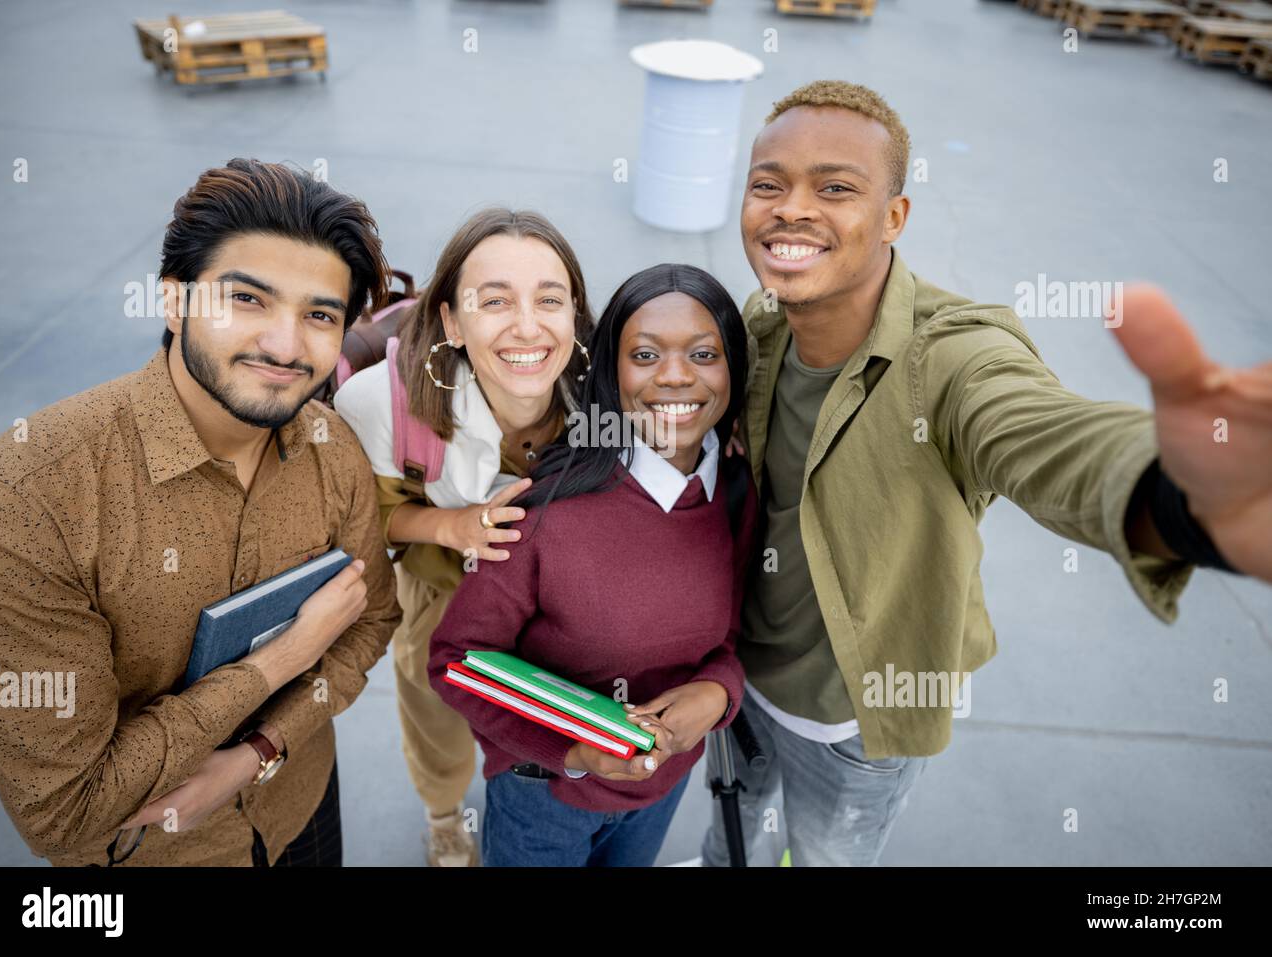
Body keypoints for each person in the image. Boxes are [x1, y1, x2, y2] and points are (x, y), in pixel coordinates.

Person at [701, 79, 1272, 867]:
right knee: (729, 841)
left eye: (836, 187)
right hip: (735, 685)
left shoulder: (953, 354)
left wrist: (1177, 494)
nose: (792, 208)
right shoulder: (760, 327)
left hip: (854, 725)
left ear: (895, 217)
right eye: (769, 184)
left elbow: (1041, 432)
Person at [0, 158, 402, 866]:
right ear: (173, 303)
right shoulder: (27, 500)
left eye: (319, 315)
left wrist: (260, 750)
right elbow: (65, 810)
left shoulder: (331, 444)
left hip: (299, 806)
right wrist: (280, 661)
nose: (286, 346)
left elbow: (374, 619)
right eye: (249, 300)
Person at [426, 263, 758, 867]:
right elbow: (453, 662)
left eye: (705, 354)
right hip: (545, 793)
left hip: (662, 788)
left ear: (734, 369)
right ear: (611, 370)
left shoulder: (736, 492)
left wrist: (717, 695)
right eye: (646, 354)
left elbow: (729, 638)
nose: (677, 376)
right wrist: (576, 753)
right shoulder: (544, 510)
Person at [333, 208, 594, 865]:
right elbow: (364, 518)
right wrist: (452, 525)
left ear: (576, 315)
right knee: (439, 718)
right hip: (443, 589)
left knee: (555, 722)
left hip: (564, 601)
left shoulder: (610, 395)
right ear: (450, 319)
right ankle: (446, 813)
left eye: (550, 300)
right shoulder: (381, 402)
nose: (528, 327)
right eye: (494, 300)